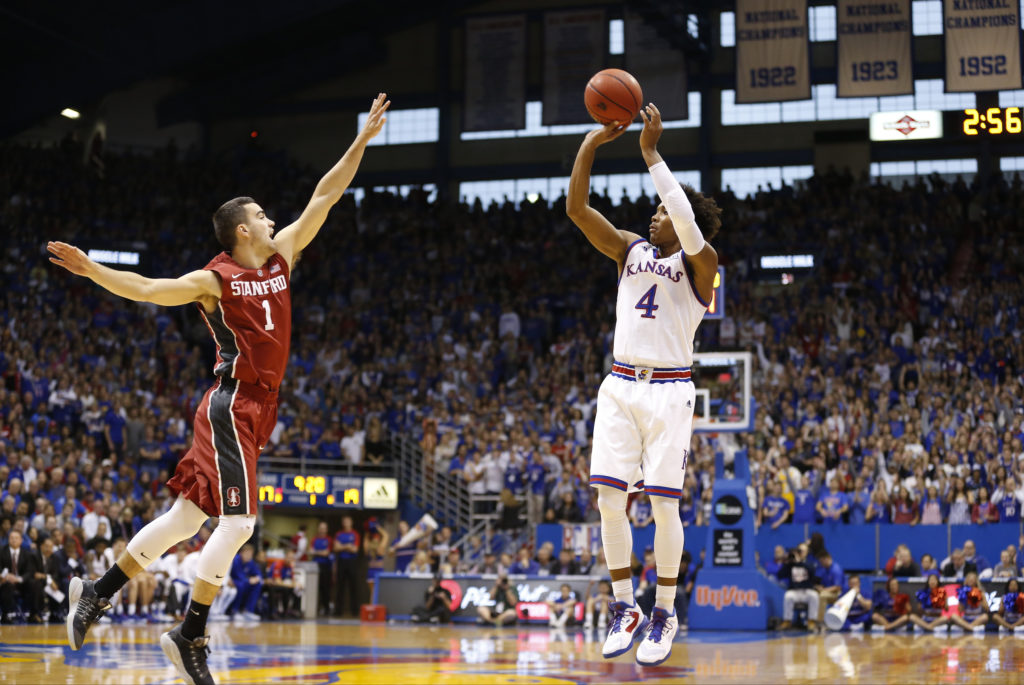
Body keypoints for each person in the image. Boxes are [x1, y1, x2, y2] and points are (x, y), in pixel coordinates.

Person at [52, 93, 390, 685]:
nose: (271, 219)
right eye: (261, 215)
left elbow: (326, 194)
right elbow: (150, 288)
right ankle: (189, 634)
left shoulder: (282, 257)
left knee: (186, 519)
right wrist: (94, 271)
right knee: (238, 526)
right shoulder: (214, 279)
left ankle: (97, 590)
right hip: (232, 402)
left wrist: (360, 143)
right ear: (241, 229)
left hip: (258, 408)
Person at [568, 103, 721, 666]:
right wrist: (590, 144)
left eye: (661, 211)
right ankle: (625, 605)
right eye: (654, 210)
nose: (653, 217)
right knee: (610, 502)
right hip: (619, 384)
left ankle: (664, 612)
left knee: (662, 507)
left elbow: (685, 224)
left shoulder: (703, 268)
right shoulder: (629, 249)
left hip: (670, 390)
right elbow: (577, 209)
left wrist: (652, 155)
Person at [0, 529, 43, 623]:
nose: (14, 540)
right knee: (7, 586)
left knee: (35, 584)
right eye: (11, 538)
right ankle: (6, 615)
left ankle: (33, 614)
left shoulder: (27, 553)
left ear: (21, 540)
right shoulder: (2, 551)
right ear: (8, 540)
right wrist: (6, 576)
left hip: (21, 582)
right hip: (6, 581)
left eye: (16, 538)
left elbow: (30, 571)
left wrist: (19, 579)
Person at [778, 543, 820, 632]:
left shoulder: (810, 563)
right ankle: (787, 620)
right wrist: (787, 563)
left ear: (807, 552)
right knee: (788, 596)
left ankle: (811, 621)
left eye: (802, 551)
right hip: (794, 591)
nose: (800, 553)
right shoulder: (791, 564)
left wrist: (800, 562)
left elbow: (813, 573)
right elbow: (780, 575)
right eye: (799, 550)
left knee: (814, 596)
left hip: (807, 590)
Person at [333, 516, 361, 617]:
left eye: (348, 521)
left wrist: (342, 546)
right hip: (341, 561)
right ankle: (338, 611)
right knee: (340, 587)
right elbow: (336, 548)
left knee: (353, 587)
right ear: (342, 523)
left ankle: (355, 611)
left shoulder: (355, 534)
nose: (346, 523)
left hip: (352, 562)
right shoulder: (338, 534)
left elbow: (355, 549)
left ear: (351, 522)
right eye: (344, 521)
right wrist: (348, 546)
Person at [228, 544, 262, 621]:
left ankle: (248, 611)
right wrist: (249, 580)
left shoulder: (250, 562)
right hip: (234, 581)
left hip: (244, 582)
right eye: (247, 554)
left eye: (251, 554)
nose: (249, 556)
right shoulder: (236, 560)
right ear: (241, 553)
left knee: (257, 584)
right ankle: (234, 611)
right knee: (241, 585)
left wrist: (257, 578)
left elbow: (258, 574)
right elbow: (238, 575)